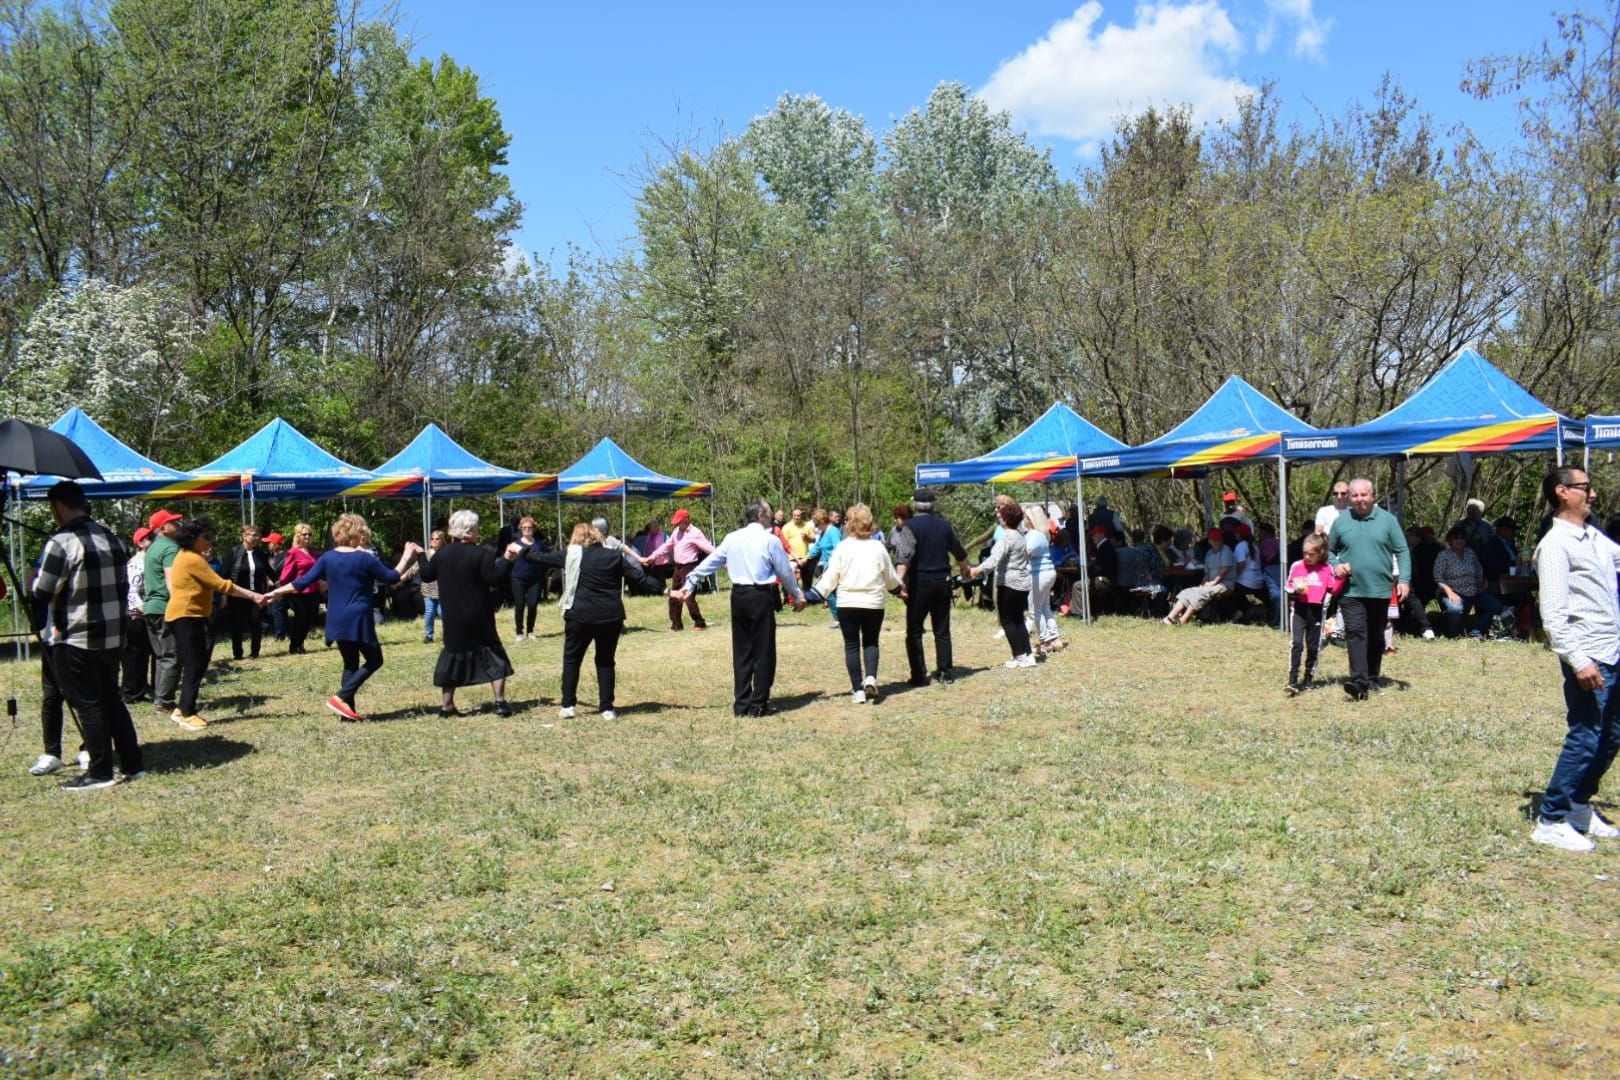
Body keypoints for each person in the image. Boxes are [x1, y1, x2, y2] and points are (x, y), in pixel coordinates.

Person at [28, 481, 144, 790]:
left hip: (77, 635)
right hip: (114, 635)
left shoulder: (62, 541)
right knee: (111, 700)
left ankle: (100, 772)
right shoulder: (111, 537)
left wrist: (31, 579)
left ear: (60, 507)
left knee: (89, 704)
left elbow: (43, 591)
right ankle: (133, 764)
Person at [1529, 467, 1620, 852]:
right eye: (1586, 488)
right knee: (1585, 736)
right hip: (1589, 656)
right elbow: (1552, 615)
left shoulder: (1594, 538)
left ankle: (1579, 806)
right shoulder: (1554, 546)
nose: (1593, 494)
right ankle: (1550, 819)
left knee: (1612, 735)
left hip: (1613, 650)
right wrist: (1579, 661)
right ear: (1562, 492)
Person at [268, 514, 419, 721]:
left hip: (336, 617)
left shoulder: (328, 558)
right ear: (355, 534)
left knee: (350, 664)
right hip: (357, 618)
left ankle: (347, 714)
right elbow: (392, 577)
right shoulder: (364, 558)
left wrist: (277, 592)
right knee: (375, 660)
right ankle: (341, 697)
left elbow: (302, 581)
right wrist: (407, 555)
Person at [673, 499, 806, 717]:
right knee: (763, 651)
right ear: (760, 516)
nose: (771, 517)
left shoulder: (732, 538)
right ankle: (758, 703)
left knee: (742, 650)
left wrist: (690, 582)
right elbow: (785, 572)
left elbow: (710, 562)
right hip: (761, 596)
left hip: (739, 597)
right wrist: (797, 595)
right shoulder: (770, 540)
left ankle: (741, 704)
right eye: (769, 513)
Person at [525, 520, 657, 720]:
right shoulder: (613, 556)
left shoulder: (571, 555)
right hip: (610, 616)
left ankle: (568, 705)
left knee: (572, 659)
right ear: (598, 536)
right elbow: (639, 578)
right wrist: (666, 590)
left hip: (580, 615)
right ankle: (607, 708)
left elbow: (540, 558)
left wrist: (521, 549)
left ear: (576, 538)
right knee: (605, 661)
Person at [165, 517, 271, 730]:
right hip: (185, 617)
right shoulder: (191, 559)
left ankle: (181, 708)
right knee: (195, 665)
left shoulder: (189, 556)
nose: (210, 542)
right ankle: (187, 713)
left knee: (197, 663)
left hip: (190, 616)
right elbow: (222, 585)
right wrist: (254, 596)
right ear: (193, 538)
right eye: (206, 537)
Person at [420, 511, 515, 717]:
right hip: (478, 613)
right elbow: (494, 579)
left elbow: (426, 575)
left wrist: (420, 555)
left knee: (453, 654)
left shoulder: (442, 554)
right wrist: (508, 559)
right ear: (470, 531)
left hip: (452, 615)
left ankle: (446, 705)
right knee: (492, 652)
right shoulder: (481, 553)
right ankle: (499, 702)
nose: (478, 531)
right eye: (477, 527)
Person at [1328, 477, 1411, 701]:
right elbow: (1328, 551)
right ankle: (1358, 682)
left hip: (1380, 589)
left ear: (1372, 496)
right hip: (1351, 590)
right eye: (1354, 495)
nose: (1359, 499)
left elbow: (1402, 551)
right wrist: (1336, 566)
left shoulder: (1388, 520)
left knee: (1376, 636)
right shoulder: (1341, 522)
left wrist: (1404, 580)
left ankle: (1372, 677)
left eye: (1364, 495)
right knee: (1355, 633)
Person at [813, 503, 902, 703]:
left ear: (850, 524)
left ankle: (857, 690)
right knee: (871, 642)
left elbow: (829, 579)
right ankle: (870, 677)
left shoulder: (843, 547)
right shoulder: (878, 547)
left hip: (848, 603)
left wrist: (812, 595)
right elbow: (890, 578)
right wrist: (898, 591)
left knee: (851, 645)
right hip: (873, 603)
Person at [901, 489, 970, 685]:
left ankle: (918, 675)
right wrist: (965, 569)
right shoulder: (945, 525)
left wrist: (899, 582)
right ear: (934, 504)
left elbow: (904, 557)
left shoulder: (910, 527)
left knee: (914, 631)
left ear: (915, 505)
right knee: (942, 630)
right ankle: (946, 672)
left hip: (919, 583)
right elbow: (959, 551)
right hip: (942, 582)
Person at [970, 500, 1037, 668]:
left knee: (1007, 620)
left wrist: (975, 570)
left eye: (1001, 515)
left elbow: (994, 560)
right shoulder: (1021, 536)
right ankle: (1028, 654)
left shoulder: (1007, 537)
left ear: (1006, 520)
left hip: (1009, 583)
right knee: (1019, 620)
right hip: (1022, 583)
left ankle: (1019, 656)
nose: (999, 516)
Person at [636, 507, 714, 630]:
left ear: (686, 520)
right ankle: (676, 624)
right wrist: (652, 556)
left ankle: (699, 623)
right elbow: (666, 546)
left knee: (688, 596)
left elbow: (708, 548)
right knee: (674, 597)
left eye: (679, 522)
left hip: (690, 567)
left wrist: (724, 559)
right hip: (677, 568)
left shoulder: (696, 533)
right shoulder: (676, 531)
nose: (677, 524)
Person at [1284, 534, 1343, 695]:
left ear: (1321, 553)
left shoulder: (1327, 569)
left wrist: (1343, 576)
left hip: (1317, 612)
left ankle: (1309, 678)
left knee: (1313, 646)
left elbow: (1333, 589)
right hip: (1299, 610)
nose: (1307, 557)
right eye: (1305, 553)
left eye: (1311, 554)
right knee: (1296, 643)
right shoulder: (1297, 566)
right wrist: (1294, 590)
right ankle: (1293, 680)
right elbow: (1287, 586)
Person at [141, 507, 184, 716]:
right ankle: (164, 702)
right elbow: (171, 580)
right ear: (164, 528)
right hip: (165, 607)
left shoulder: (152, 548)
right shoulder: (170, 548)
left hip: (150, 608)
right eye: (174, 522)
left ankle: (161, 698)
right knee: (172, 656)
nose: (179, 525)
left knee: (161, 656)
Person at [1433, 526, 1503, 638]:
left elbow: (1479, 568)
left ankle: (1477, 631)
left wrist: (1482, 582)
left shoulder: (1470, 553)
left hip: (1473, 591)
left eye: (1462, 538)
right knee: (1455, 608)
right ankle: (1453, 635)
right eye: (1456, 538)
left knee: (1496, 605)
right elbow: (1438, 577)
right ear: (1450, 540)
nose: (1459, 540)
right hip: (1452, 591)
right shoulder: (1443, 555)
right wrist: (1450, 592)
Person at [220, 524, 271, 660]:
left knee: (256, 623)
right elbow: (224, 576)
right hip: (237, 594)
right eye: (251, 534)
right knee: (237, 624)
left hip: (257, 594)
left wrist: (278, 585)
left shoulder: (260, 553)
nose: (254, 537)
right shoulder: (232, 553)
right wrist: (224, 595)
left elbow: (269, 571)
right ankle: (238, 654)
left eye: (256, 535)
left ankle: (255, 652)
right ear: (244, 536)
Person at [1164, 529, 1235, 625]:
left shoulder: (1226, 550)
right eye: (1214, 540)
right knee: (1186, 592)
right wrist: (1202, 585)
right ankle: (1169, 618)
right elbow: (1207, 573)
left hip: (1224, 584)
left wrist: (1213, 583)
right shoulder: (1210, 553)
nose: (1217, 542)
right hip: (1211, 584)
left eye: (1219, 540)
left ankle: (1183, 621)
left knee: (1201, 593)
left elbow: (1224, 570)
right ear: (1209, 541)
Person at [120, 526, 153, 705]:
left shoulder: (149, 561)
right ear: (140, 543)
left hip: (145, 615)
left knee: (143, 653)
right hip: (135, 616)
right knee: (133, 654)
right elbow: (132, 591)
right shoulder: (136, 564)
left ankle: (140, 688)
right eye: (150, 538)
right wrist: (142, 608)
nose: (154, 541)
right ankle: (130, 691)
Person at [1024, 504, 1064, 652]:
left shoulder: (1034, 535)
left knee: (1035, 610)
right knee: (1045, 607)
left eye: (1026, 517)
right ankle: (1056, 638)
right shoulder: (1043, 534)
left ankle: (1046, 641)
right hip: (1048, 573)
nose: (1024, 520)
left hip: (1038, 575)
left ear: (1032, 519)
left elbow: (1026, 552)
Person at [278, 522, 321, 654]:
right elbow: (286, 573)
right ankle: (294, 645)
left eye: (309, 534)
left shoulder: (313, 551)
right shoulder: (293, 552)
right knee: (301, 617)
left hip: (313, 589)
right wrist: (282, 589)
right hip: (298, 591)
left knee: (310, 618)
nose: (307, 536)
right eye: (304, 534)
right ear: (298, 536)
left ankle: (300, 643)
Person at [807, 507, 843, 628]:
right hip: (827, 566)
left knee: (831, 593)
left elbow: (838, 548)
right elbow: (817, 547)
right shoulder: (823, 533)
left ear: (821, 521)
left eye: (816, 523)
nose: (815, 526)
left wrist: (832, 566)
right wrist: (806, 558)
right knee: (831, 593)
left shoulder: (833, 531)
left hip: (835, 567)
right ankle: (839, 619)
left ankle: (840, 619)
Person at [509, 516, 544, 641]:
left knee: (533, 604)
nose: (527, 530)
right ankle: (519, 632)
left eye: (530, 528)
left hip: (535, 579)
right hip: (518, 578)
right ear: (520, 529)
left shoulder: (539, 544)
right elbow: (508, 560)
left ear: (534, 529)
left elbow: (545, 558)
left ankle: (530, 631)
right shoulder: (515, 544)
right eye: (525, 528)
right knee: (519, 605)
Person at [419, 530, 446, 643]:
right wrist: (400, 578)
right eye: (432, 539)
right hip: (428, 590)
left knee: (442, 613)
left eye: (437, 539)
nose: (434, 541)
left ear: (442, 541)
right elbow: (415, 568)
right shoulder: (426, 554)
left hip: (442, 591)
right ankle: (429, 635)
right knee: (429, 612)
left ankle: (448, 634)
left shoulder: (446, 554)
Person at [782, 507, 817, 592]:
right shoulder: (786, 527)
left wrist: (808, 538)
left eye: (799, 515)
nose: (797, 517)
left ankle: (808, 596)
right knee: (792, 579)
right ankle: (790, 598)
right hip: (792, 557)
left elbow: (814, 539)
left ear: (802, 516)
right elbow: (784, 543)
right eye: (795, 515)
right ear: (792, 516)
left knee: (807, 578)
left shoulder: (807, 525)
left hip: (805, 556)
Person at [263, 531, 288, 640]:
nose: (268, 545)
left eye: (270, 542)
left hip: (280, 588)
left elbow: (286, 573)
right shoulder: (270, 556)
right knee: (270, 611)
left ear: (276, 544)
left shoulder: (285, 556)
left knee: (278, 611)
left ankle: (280, 635)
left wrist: (276, 581)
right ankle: (273, 631)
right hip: (269, 589)